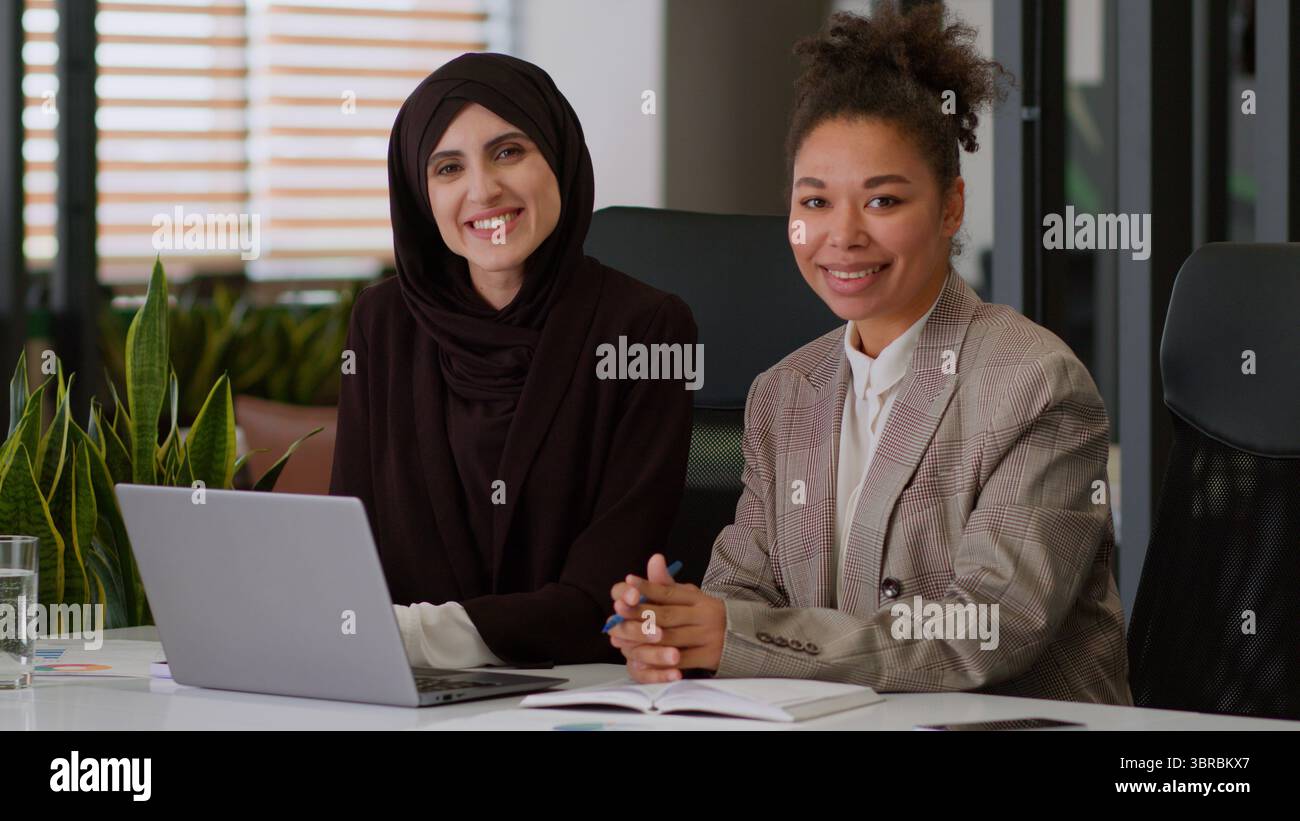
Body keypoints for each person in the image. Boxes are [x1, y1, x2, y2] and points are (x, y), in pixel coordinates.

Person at [605, 5, 1131, 705]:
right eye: (815, 201)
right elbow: (744, 590)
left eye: (882, 201)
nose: (842, 235)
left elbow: (984, 629)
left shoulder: (1034, 384)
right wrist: (679, 628)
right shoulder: (784, 391)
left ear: (950, 208)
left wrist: (740, 635)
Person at [330, 52, 697, 667]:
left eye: (508, 152)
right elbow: (348, 556)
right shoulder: (382, 324)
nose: (483, 190)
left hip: (577, 693)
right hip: (399, 696)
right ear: (422, 196)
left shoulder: (648, 329)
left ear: (557, 155)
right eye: (448, 167)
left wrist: (410, 638)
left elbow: (605, 600)